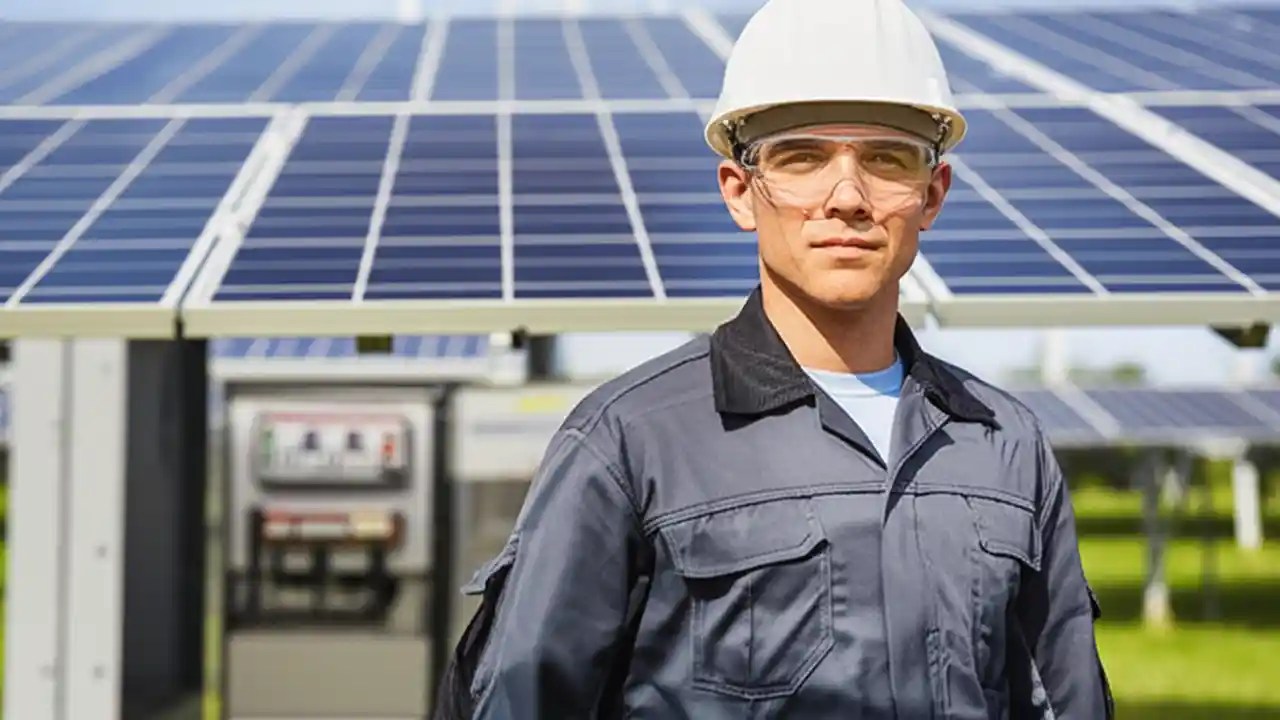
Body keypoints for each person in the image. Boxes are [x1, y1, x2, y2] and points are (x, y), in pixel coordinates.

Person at [435, 0, 1114, 717]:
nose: (847, 197)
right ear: (740, 192)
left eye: (888, 158)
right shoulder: (630, 444)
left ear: (932, 194)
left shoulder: (1006, 447)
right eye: (802, 158)